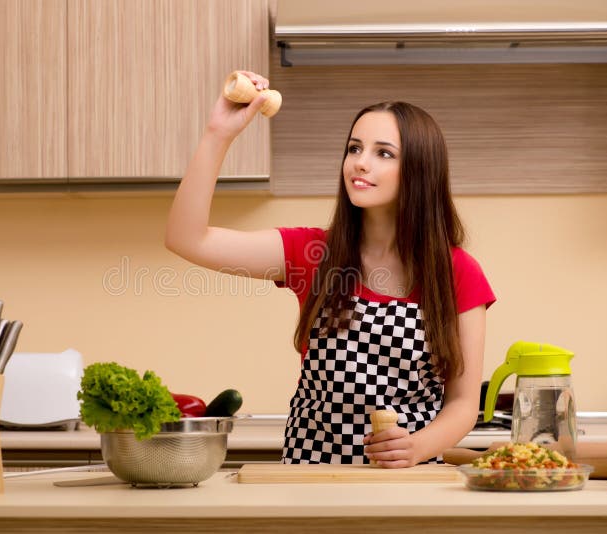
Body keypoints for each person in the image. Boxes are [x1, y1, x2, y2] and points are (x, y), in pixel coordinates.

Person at [165, 71, 495, 467]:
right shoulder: (313, 254)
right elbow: (186, 238)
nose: (360, 163)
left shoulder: (458, 271)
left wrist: (417, 448)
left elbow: (462, 404)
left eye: (383, 153)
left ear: (419, 171)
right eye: (354, 149)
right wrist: (218, 133)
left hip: (408, 482)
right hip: (312, 477)